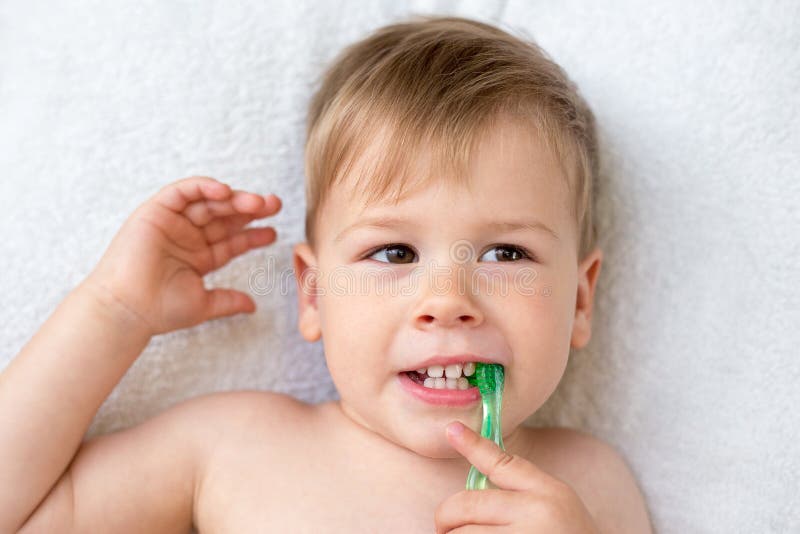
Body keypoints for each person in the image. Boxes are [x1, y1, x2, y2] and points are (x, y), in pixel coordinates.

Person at [0, 14, 653, 533]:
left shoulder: (589, 486)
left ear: (579, 299)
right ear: (314, 293)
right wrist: (114, 310)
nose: (448, 302)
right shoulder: (235, 450)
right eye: (395, 253)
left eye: (505, 254)